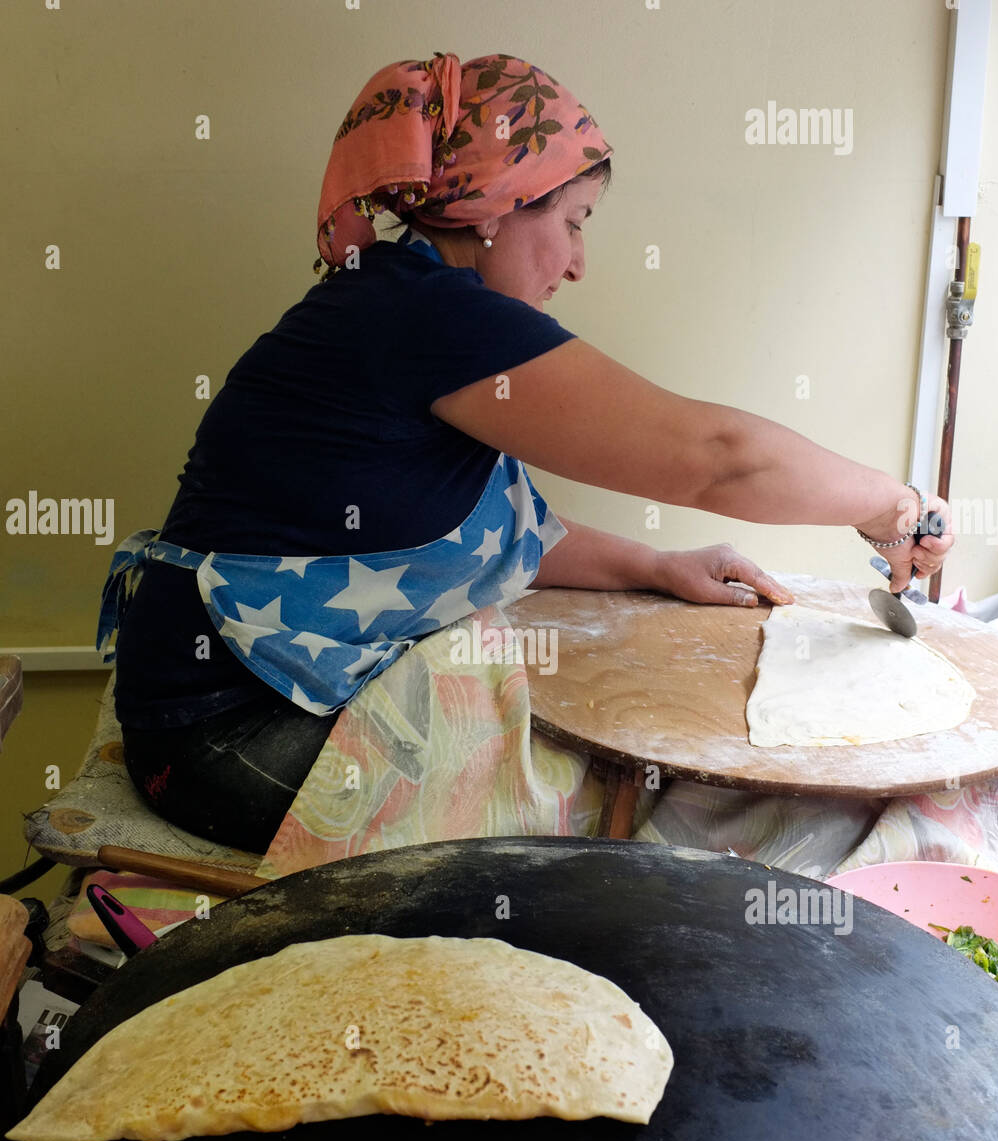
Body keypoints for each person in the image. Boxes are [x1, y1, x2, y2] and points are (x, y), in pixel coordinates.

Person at [97, 50, 953, 854]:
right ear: (500, 206)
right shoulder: (432, 320)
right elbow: (717, 457)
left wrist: (658, 566)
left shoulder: (406, 304)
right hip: (222, 732)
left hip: (231, 700)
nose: (578, 264)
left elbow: (489, 534)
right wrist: (893, 506)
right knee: (599, 844)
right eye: (574, 222)